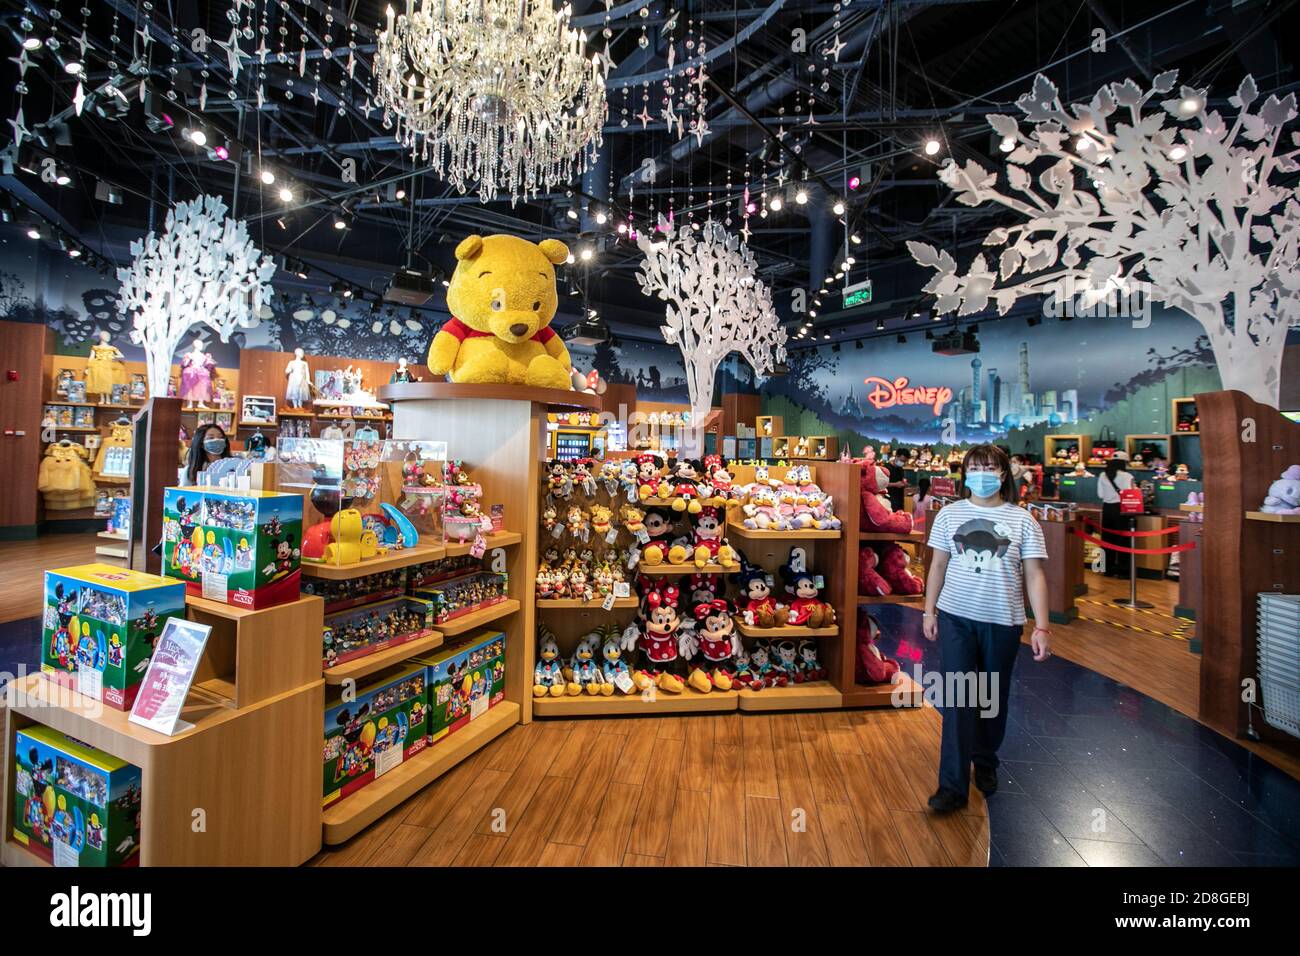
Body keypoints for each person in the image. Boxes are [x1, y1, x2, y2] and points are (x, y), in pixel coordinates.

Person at [922, 443, 1051, 812]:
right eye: (975, 467)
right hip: (955, 618)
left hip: (1003, 622)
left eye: (990, 467)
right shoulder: (949, 515)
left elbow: (1034, 575)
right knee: (959, 699)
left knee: (991, 699)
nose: (982, 474)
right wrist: (929, 612)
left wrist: (1042, 627)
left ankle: (986, 758)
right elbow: (938, 566)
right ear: (964, 474)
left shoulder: (1023, 520)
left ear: (1003, 474)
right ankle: (952, 786)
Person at [1097, 450, 1136, 578]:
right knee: (1123, 540)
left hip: (1107, 508)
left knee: (1107, 539)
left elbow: (1100, 495)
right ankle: (1124, 571)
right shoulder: (1127, 476)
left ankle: (1107, 569)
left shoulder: (1103, 475)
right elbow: (1132, 494)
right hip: (1121, 509)